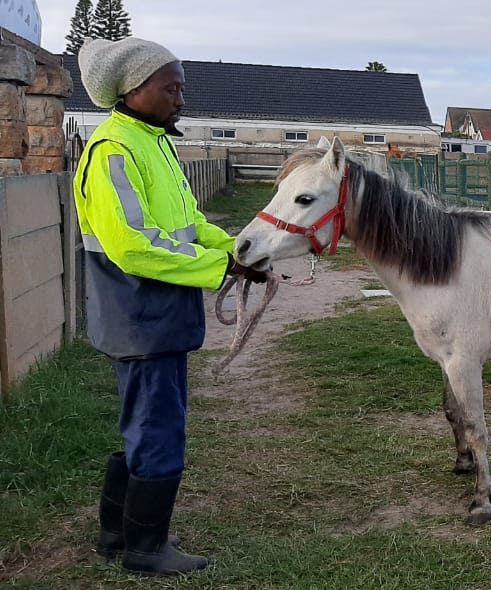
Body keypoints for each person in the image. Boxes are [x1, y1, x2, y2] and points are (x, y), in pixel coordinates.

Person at [73, 37, 266, 576]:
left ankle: (118, 536)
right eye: (170, 87)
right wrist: (219, 269)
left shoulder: (152, 142)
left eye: (181, 86)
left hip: (158, 318)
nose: (181, 97)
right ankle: (144, 549)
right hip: (140, 319)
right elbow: (133, 244)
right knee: (158, 430)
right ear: (133, 90)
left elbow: (188, 222)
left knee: (145, 425)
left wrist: (237, 250)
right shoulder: (114, 150)